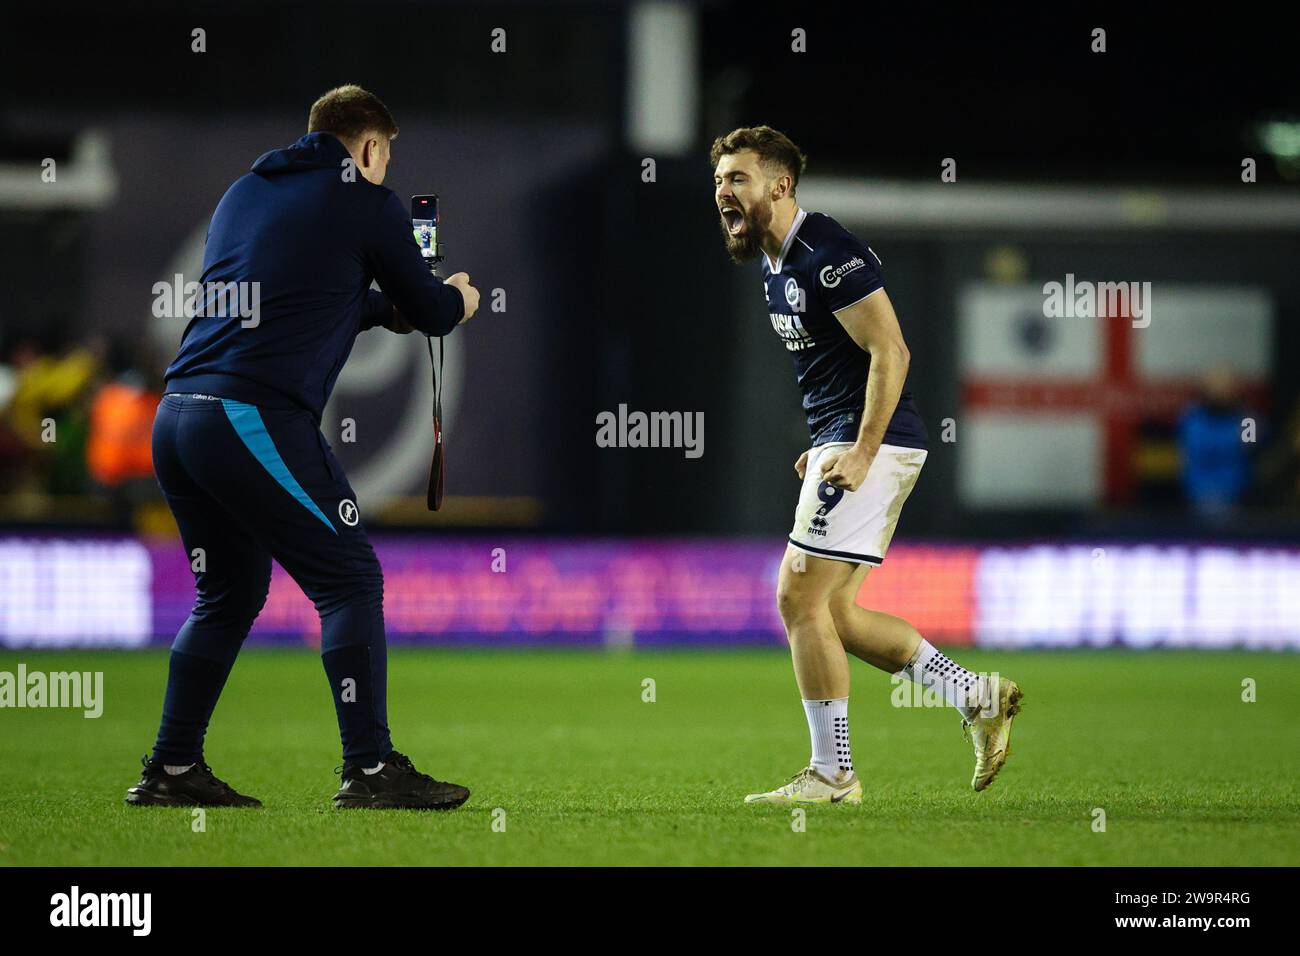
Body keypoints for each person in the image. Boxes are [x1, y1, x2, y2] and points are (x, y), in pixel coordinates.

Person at [127, 85, 481, 810]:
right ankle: (371, 769)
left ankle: (170, 767)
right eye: (387, 157)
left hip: (180, 414)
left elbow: (324, 299)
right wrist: (456, 301)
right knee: (349, 579)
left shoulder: (246, 192)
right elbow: (432, 308)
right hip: (250, 415)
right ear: (372, 147)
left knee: (227, 593)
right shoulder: (369, 200)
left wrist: (395, 312)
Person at [710, 126, 1021, 804]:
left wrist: (859, 449)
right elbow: (837, 367)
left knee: (795, 596)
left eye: (738, 178)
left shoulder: (827, 251)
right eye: (718, 181)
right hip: (846, 437)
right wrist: (827, 439)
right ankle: (976, 697)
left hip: (873, 441)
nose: (723, 193)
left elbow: (893, 351)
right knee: (835, 615)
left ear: (780, 184)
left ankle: (833, 774)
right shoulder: (774, 261)